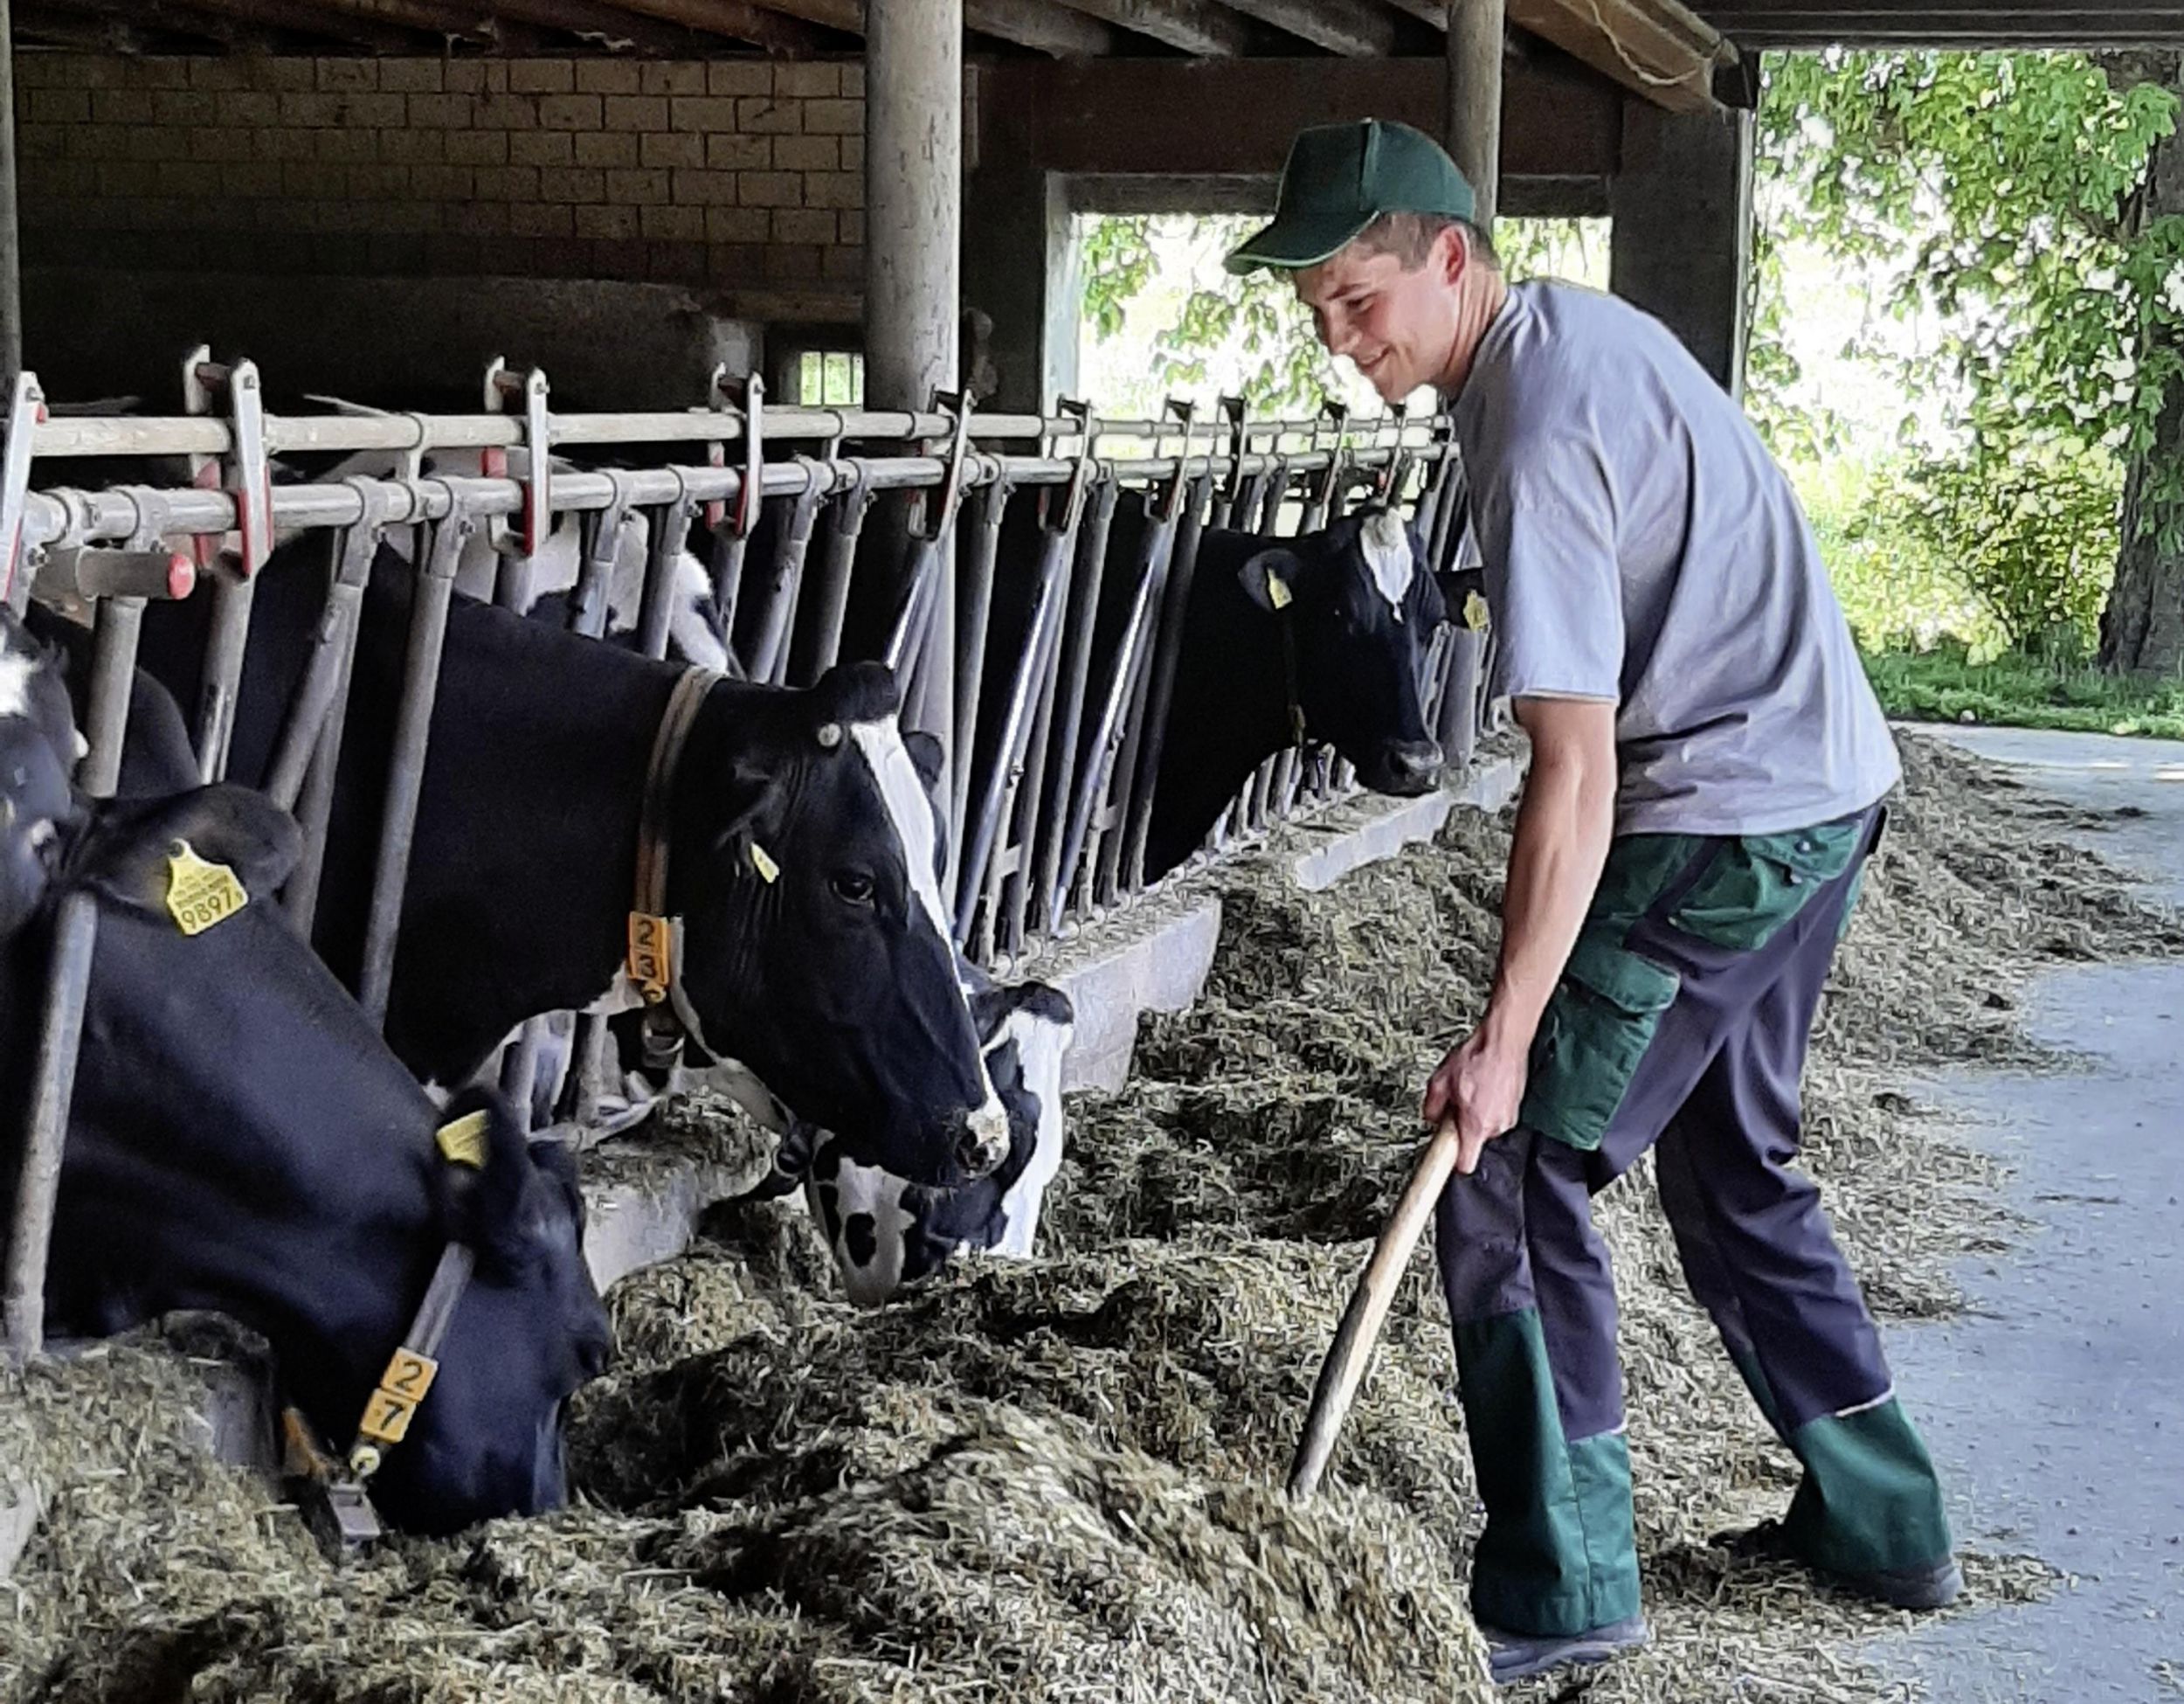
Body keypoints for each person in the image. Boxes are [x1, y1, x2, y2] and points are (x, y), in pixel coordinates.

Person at [1226, 119, 1958, 1686]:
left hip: (1733, 812)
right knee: (1731, 1159)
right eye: (1318, 318)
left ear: (1450, 254)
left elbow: (1574, 774)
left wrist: (1503, 1039)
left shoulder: (1533, 425)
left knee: (1508, 1164)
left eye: (1361, 301)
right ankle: (1887, 1522)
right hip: (1823, 782)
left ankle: (1563, 1588)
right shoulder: (1567, 337)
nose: (1345, 345)